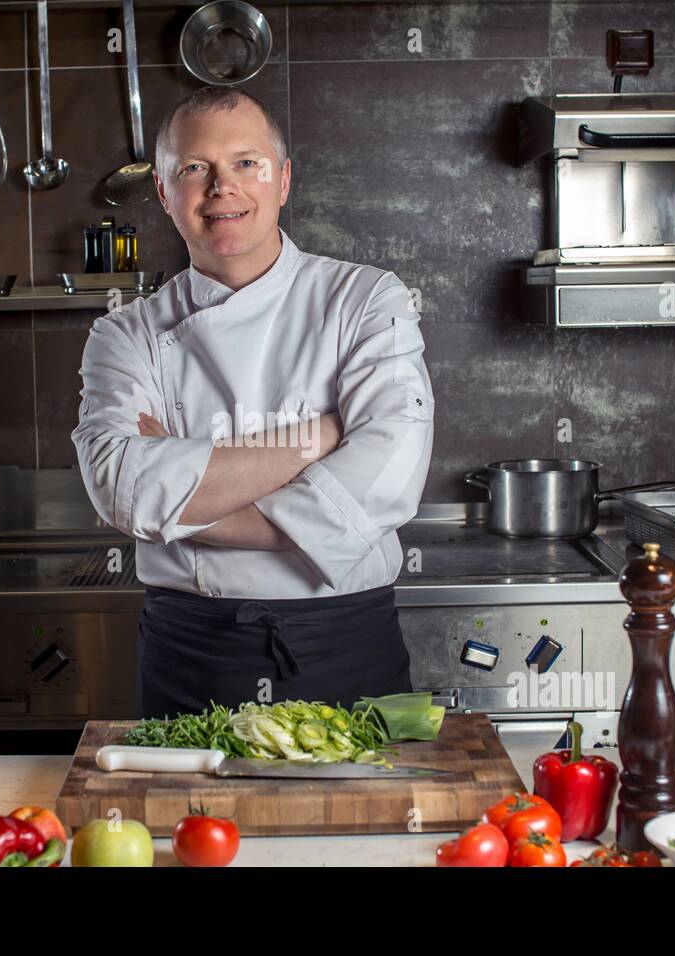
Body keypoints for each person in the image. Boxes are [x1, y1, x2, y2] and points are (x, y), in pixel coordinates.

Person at [72, 86, 434, 718]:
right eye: (194, 168)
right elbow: (120, 487)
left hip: (344, 638)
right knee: (188, 821)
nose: (222, 188)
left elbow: (389, 476)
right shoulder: (124, 334)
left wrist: (184, 504)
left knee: (364, 819)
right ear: (163, 191)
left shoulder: (367, 300)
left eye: (247, 162)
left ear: (284, 179)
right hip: (192, 647)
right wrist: (321, 438)